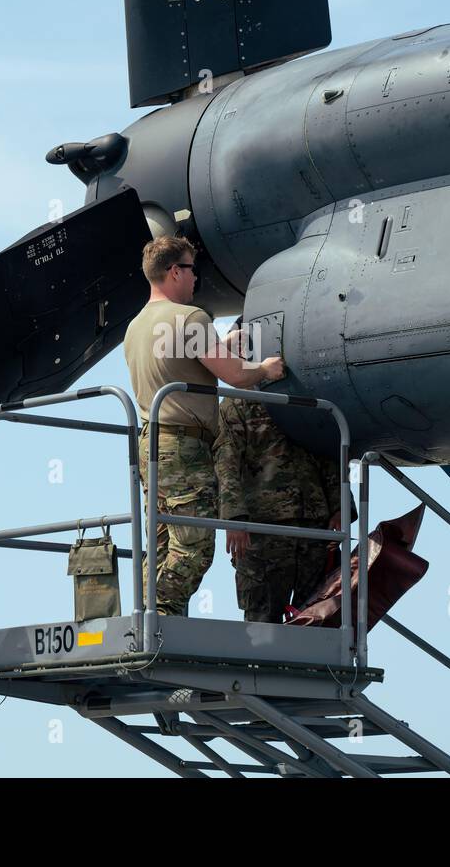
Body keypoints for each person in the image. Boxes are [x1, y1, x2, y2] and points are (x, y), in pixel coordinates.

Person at [123, 237, 284, 617]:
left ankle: (146, 614)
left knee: (162, 541)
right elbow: (235, 376)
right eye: (193, 269)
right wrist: (265, 369)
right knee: (195, 546)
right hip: (184, 447)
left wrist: (219, 343)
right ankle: (162, 613)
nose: (197, 278)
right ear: (175, 272)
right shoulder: (191, 318)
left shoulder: (135, 327)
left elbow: (176, 360)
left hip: (151, 444)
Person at [213, 323, 348, 623]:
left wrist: (340, 507)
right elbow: (227, 463)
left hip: (312, 530)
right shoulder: (236, 406)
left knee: (317, 617)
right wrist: (234, 518)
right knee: (262, 623)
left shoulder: (308, 401)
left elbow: (328, 454)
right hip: (262, 532)